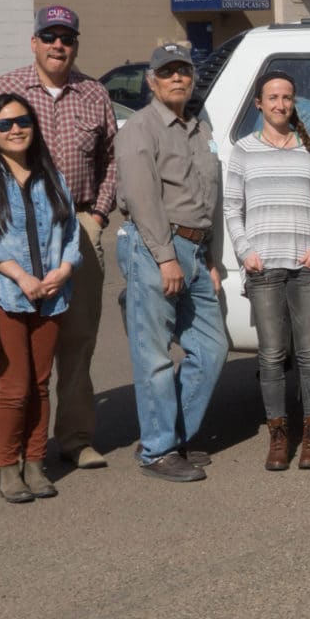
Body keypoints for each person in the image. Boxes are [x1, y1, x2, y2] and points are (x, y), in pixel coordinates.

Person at [0, 5, 116, 471]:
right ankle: (19, 454)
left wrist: (98, 215)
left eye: (66, 37)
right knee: (19, 362)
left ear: (75, 43)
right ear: (33, 42)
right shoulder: (3, 90)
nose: (58, 45)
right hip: (10, 239)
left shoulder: (94, 93)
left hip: (75, 233)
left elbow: (112, 160)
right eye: (48, 36)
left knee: (77, 340)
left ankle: (73, 438)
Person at [115, 43, 230, 483]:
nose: (177, 78)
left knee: (212, 347)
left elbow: (211, 195)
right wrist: (165, 258)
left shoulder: (200, 127)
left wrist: (213, 257)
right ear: (152, 81)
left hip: (197, 250)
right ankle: (157, 451)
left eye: (183, 71)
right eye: (168, 73)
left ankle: (172, 436)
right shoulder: (140, 129)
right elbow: (143, 202)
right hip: (156, 247)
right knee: (155, 356)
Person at [0, 94, 82, 503]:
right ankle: (7, 467)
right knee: (15, 388)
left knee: (41, 385)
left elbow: (70, 234)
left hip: (50, 297)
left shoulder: (51, 175)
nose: (15, 129)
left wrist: (63, 270)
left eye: (22, 121)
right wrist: (20, 276)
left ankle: (35, 462)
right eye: (5, 124)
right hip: (5, 296)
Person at [224, 71, 310, 472]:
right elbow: (232, 208)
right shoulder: (243, 151)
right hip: (263, 266)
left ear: (294, 103)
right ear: (259, 103)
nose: (280, 104)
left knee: (309, 353)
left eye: (287, 97)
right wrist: (245, 250)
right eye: (272, 97)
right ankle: (278, 435)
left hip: (306, 266)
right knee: (272, 355)